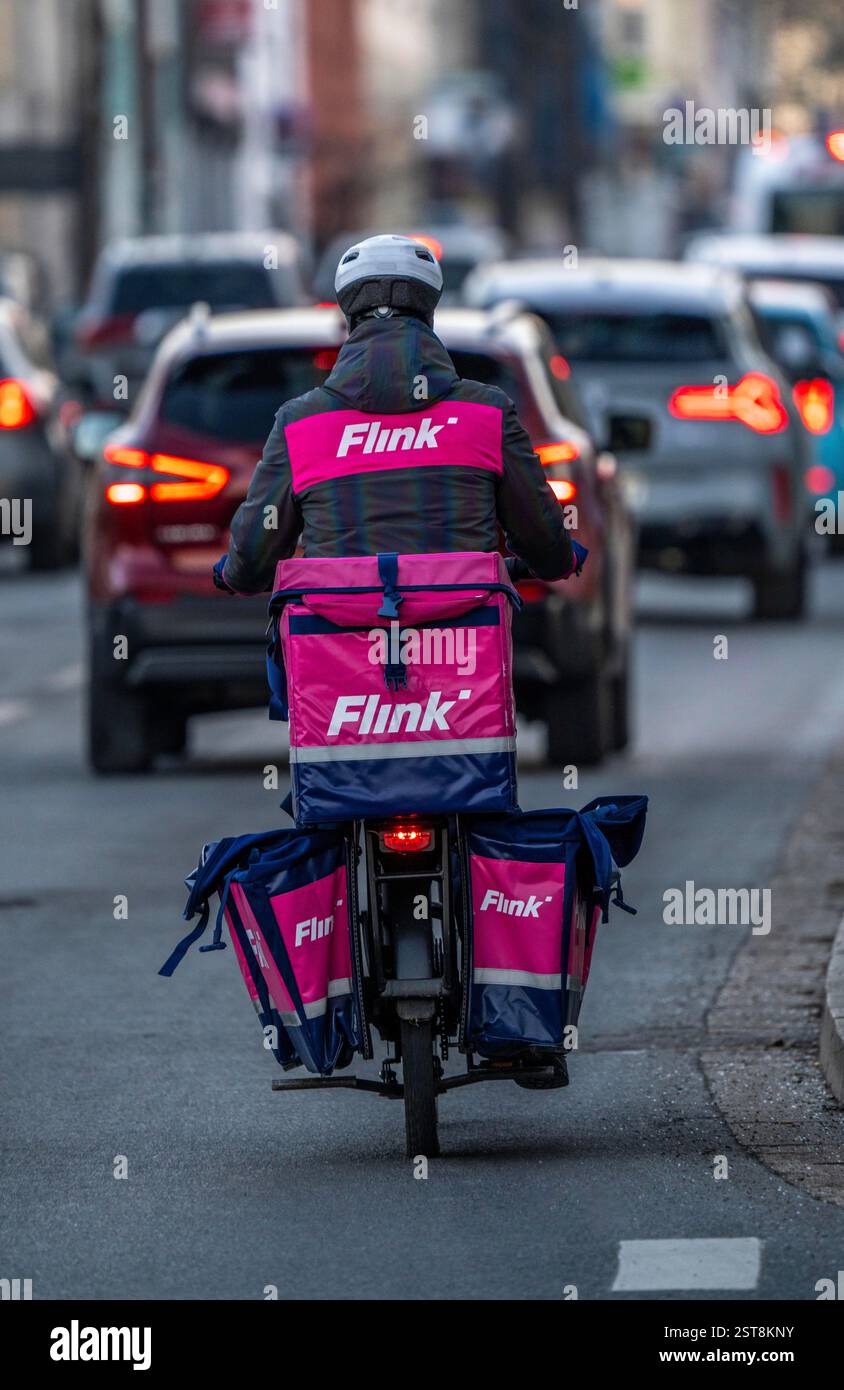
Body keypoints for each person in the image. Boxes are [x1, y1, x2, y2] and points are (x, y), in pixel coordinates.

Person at [214, 233, 574, 593]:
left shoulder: (300, 425)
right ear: (429, 313)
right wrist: (554, 557)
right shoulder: (486, 415)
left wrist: (231, 571)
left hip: (335, 641)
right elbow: (546, 548)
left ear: (350, 317)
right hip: (462, 640)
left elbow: (251, 563)